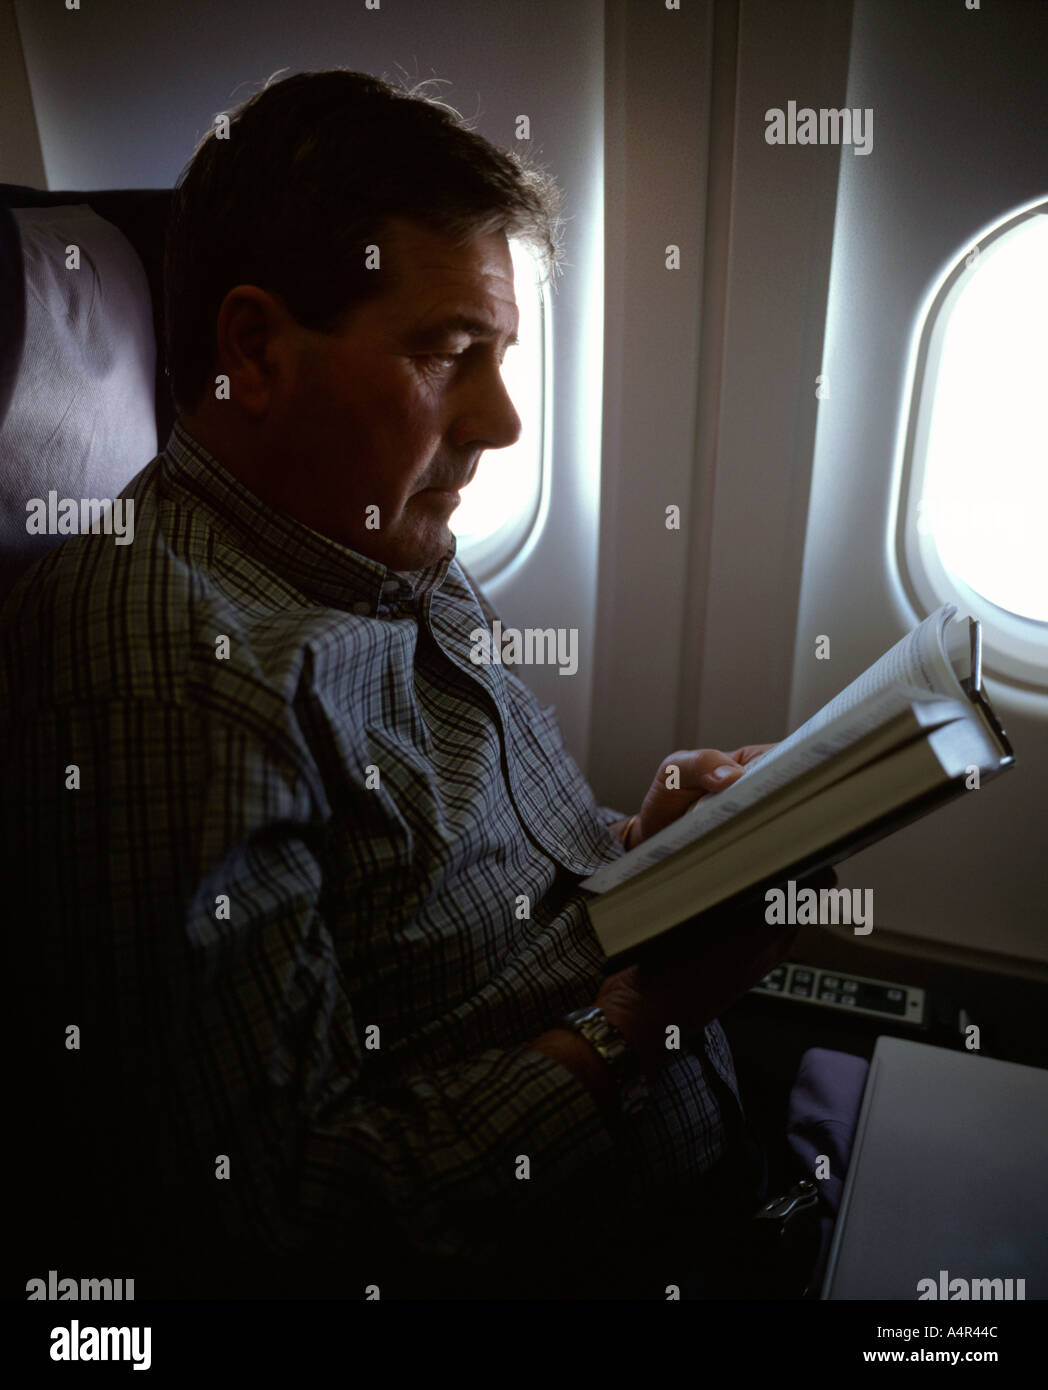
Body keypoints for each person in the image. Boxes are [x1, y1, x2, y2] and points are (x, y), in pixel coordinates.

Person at [3, 69, 800, 1300]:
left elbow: (470, 918)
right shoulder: (176, 674)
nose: (503, 421)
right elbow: (275, 1228)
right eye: (448, 353)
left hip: (722, 1211)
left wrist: (644, 851)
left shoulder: (381, 538)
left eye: (503, 355)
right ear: (255, 351)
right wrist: (641, 1021)